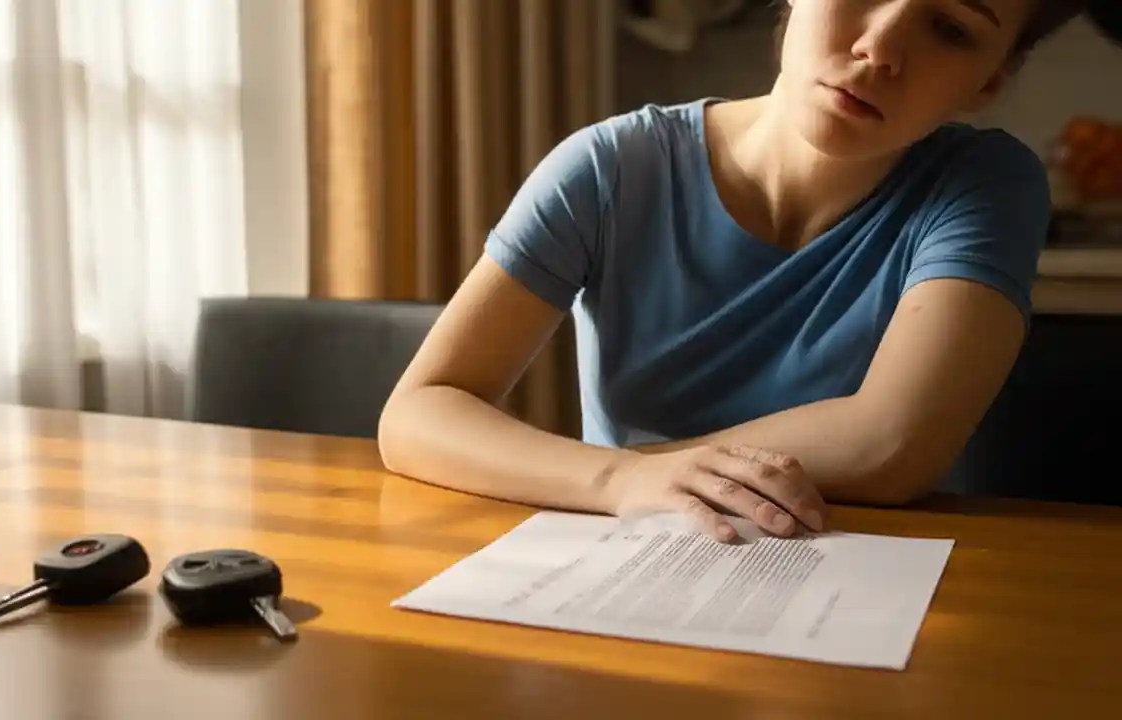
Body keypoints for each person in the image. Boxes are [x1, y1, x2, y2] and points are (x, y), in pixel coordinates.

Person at [378, 0, 1089, 543]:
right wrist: (620, 478)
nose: (880, 48)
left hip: (853, 580)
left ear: (989, 80)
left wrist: (653, 467)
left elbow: (891, 445)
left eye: (951, 29)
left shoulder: (985, 185)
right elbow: (419, 410)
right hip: (631, 561)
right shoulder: (610, 169)